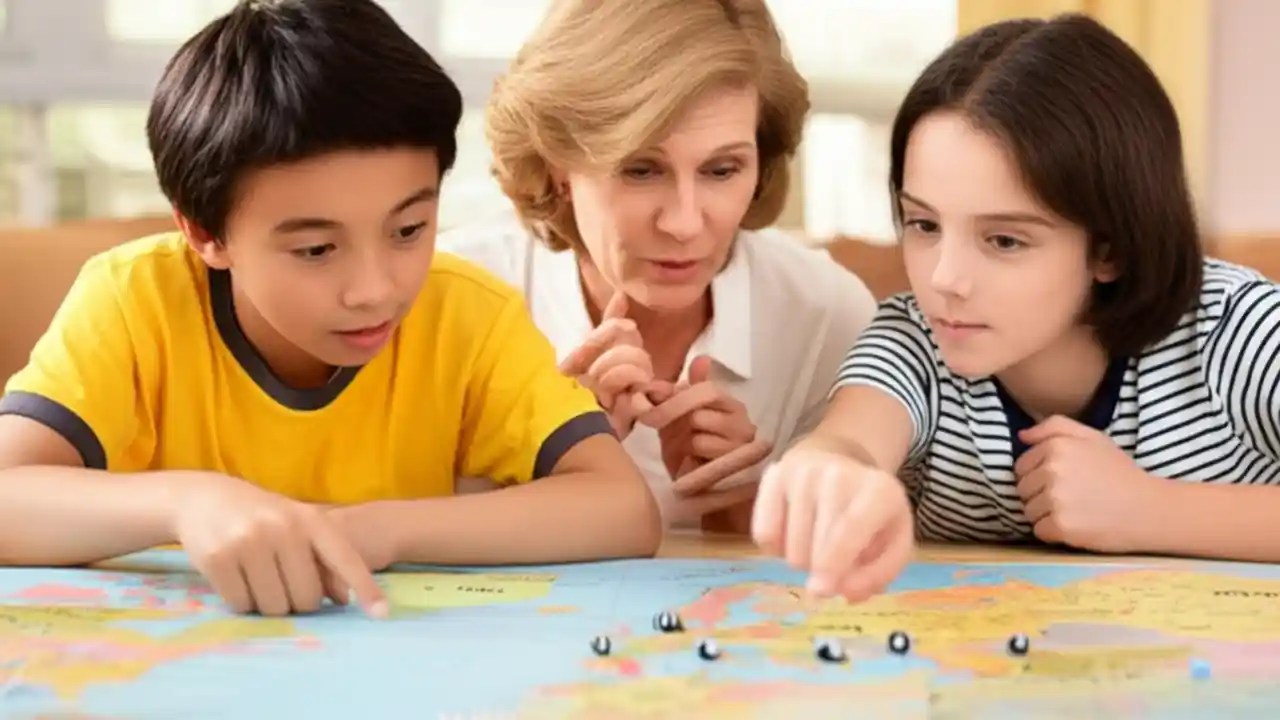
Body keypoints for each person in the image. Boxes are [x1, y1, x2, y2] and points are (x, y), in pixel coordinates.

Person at [0, 0, 662, 618]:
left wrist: (375, 528)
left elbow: (619, 507)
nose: (374, 289)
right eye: (317, 249)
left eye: (409, 230)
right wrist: (186, 500)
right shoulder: (132, 300)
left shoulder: (469, 314)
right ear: (205, 234)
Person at [752, 14, 1280, 600]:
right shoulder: (913, 341)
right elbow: (846, 443)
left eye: (1004, 240)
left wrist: (1151, 510)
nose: (944, 279)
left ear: (1111, 248)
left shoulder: (1238, 329)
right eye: (924, 224)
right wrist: (830, 475)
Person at [438, 0, 877, 532]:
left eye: (722, 169)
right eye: (642, 169)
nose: (685, 223)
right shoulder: (455, 296)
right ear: (558, 166)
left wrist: (745, 509)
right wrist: (551, 456)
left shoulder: (827, 315)